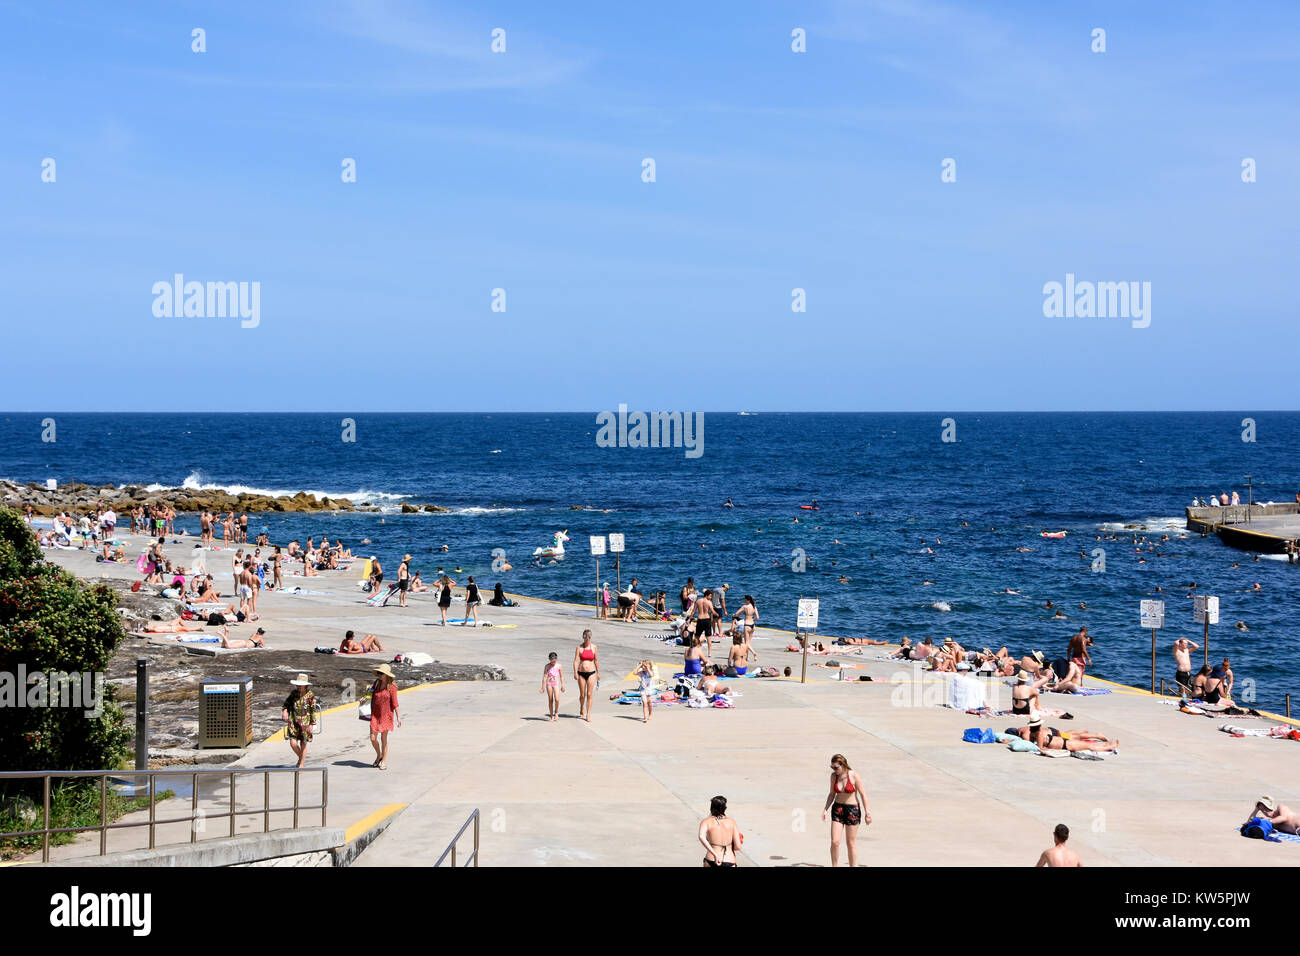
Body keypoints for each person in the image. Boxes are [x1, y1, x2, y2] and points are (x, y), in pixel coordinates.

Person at [822, 753, 870, 867]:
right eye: (832, 767)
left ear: (843, 765)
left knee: (850, 843)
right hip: (838, 809)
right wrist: (825, 809)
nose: (834, 770)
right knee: (835, 842)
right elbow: (831, 794)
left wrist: (867, 813)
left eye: (836, 767)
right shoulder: (834, 776)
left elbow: (863, 794)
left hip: (852, 810)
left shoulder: (853, 775)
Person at [281, 674, 320, 769]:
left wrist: (312, 724)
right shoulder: (293, 693)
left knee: (303, 743)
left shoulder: (310, 695)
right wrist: (285, 711)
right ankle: (301, 757)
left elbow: (313, 710)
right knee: (292, 743)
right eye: (297, 685)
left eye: (300, 685)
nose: (298, 687)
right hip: (293, 722)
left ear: (305, 686)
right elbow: (286, 704)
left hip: (305, 723)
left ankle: (301, 764)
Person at [368, 663, 401, 770]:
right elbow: (370, 694)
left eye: (381, 673)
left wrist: (398, 718)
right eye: (378, 673)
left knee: (383, 739)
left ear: (387, 675)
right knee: (373, 738)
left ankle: (384, 761)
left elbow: (395, 703)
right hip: (375, 714)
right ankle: (379, 755)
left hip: (386, 715)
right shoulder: (376, 683)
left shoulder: (392, 686)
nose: (379, 675)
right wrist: (364, 699)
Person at [699, 795, 741, 867]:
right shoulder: (732, 822)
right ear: (725, 808)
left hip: (711, 859)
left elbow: (701, 836)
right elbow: (738, 846)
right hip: (729, 859)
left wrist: (714, 854)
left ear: (711, 807)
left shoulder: (706, 822)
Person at [574, 629, 599, 721]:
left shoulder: (594, 647)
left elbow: (596, 660)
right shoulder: (579, 648)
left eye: (588, 636)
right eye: (585, 636)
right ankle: (581, 708)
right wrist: (575, 672)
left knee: (589, 694)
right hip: (581, 673)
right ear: (583, 637)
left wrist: (598, 672)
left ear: (590, 637)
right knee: (582, 695)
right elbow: (576, 660)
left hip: (591, 672)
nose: (587, 638)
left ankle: (588, 714)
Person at [541, 652, 565, 721]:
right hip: (549, 684)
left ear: (556, 659)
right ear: (549, 659)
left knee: (557, 699)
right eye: (551, 660)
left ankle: (556, 712)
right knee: (550, 699)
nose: (553, 661)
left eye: (554, 660)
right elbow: (545, 676)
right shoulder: (547, 666)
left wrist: (563, 685)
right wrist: (542, 687)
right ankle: (551, 715)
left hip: (556, 684)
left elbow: (562, 676)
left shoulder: (559, 666)